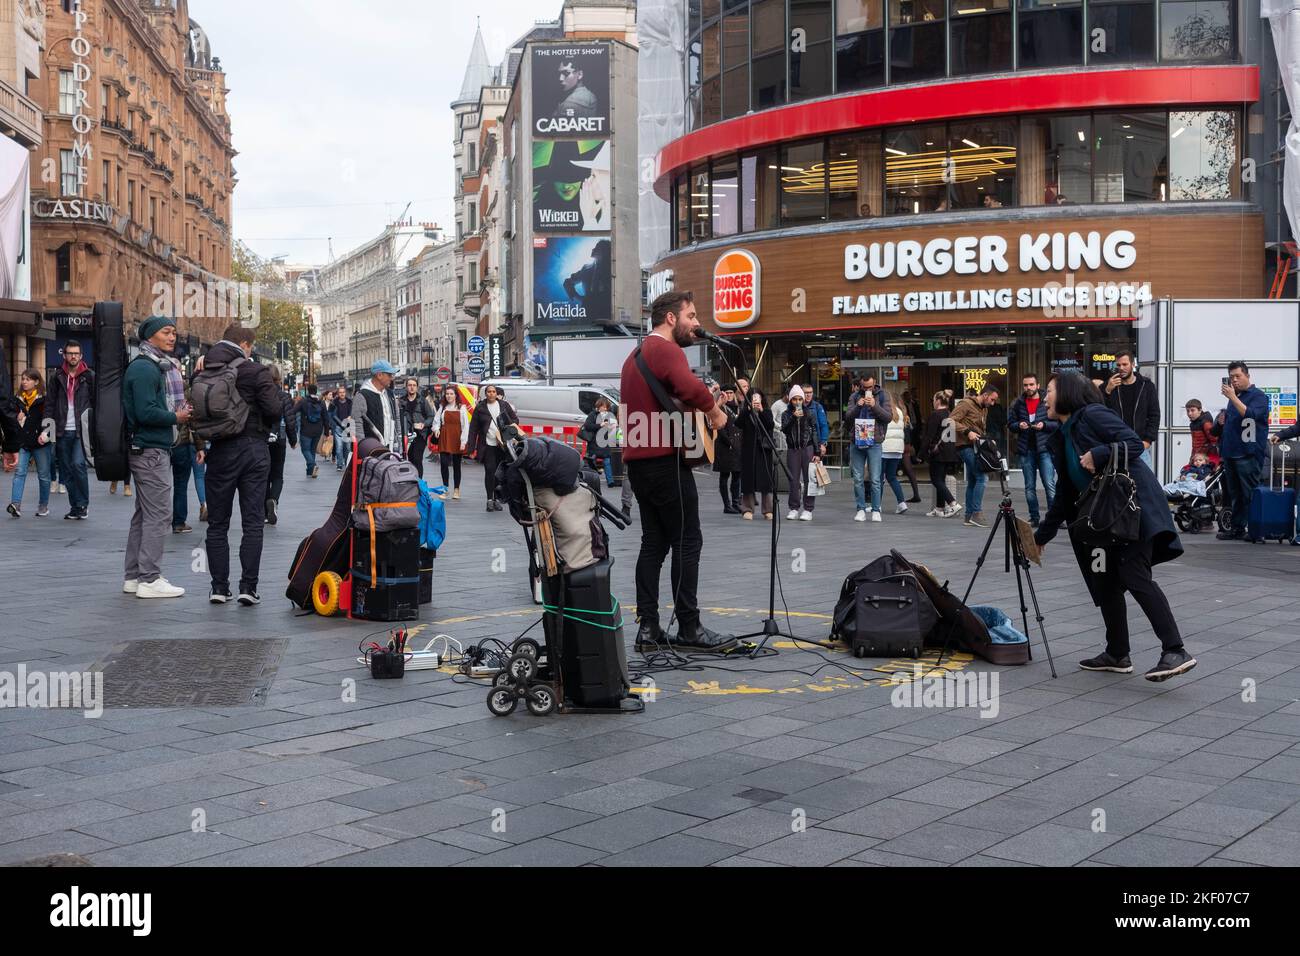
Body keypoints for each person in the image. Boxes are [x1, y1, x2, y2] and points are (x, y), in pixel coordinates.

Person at [1034, 372, 1196, 682]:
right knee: (1105, 582)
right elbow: (1066, 493)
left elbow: (1133, 443)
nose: (1044, 397)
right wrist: (1043, 534)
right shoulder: (1061, 435)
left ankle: (1175, 649)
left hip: (1133, 511)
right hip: (1103, 522)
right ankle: (1117, 653)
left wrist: (1100, 452)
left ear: (1067, 392)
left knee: (1135, 575)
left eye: (1049, 390)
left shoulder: (1092, 415)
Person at [620, 290, 733, 652]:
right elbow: (688, 388)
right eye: (692, 316)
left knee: (653, 543)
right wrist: (715, 412)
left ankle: (649, 628)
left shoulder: (633, 357)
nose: (697, 324)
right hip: (666, 461)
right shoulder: (665, 350)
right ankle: (689, 625)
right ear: (671, 318)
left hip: (639, 464)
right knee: (688, 540)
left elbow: (665, 400)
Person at [202, 324, 282, 606]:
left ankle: (218, 588)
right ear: (246, 344)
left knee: (217, 524)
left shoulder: (205, 367)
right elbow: (274, 409)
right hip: (253, 450)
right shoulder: (255, 371)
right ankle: (248, 587)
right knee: (252, 523)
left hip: (219, 450)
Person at [122, 316, 190, 599]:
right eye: (166, 332)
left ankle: (134, 577)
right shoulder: (145, 369)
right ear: (150, 336)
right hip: (149, 450)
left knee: (144, 514)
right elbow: (145, 412)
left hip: (147, 448)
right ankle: (150, 578)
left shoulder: (150, 366)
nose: (172, 337)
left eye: (174, 332)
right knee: (159, 514)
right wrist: (177, 416)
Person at [1215, 360, 1271, 541]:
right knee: (1235, 494)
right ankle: (1237, 527)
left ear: (1247, 375)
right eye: (1231, 377)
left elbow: (1252, 415)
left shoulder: (1258, 396)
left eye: (1238, 376)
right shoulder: (1234, 398)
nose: (1234, 380)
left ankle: (1256, 529)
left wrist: (1233, 397)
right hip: (1231, 452)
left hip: (1248, 453)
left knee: (1250, 493)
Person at [47, 339, 94, 520]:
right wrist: (48, 429)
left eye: (76, 353)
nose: (73, 356)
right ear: (65, 355)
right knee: (66, 471)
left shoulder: (89, 376)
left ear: (81, 356)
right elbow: (50, 405)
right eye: (70, 353)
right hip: (61, 430)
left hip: (81, 431)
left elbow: (97, 403)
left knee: (78, 464)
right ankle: (75, 507)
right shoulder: (57, 377)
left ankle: (83, 504)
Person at [1008, 373, 1058, 527]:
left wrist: (1044, 426)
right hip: (1026, 449)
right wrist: (1019, 426)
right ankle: (1034, 517)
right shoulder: (1018, 403)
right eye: (1025, 385)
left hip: (1044, 448)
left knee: (1049, 483)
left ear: (1037, 385)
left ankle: (1054, 518)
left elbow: (1057, 423)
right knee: (1029, 486)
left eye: (1031, 384)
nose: (1028, 388)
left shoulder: (1047, 400)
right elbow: (1010, 424)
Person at [950, 385, 1000, 527]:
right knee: (982, 477)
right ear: (985, 395)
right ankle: (976, 513)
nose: (993, 403)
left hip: (975, 447)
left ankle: (969, 516)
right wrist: (967, 432)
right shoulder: (966, 404)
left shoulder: (983, 408)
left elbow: (977, 427)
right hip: (964, 446)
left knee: (973, 480)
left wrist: (986, 439)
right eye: (992, 399)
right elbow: (950, 420)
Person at [6, 369, 53, 519]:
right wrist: (17, 418)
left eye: (28, 379)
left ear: (36, 382)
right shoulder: (17, 400)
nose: (24, 382)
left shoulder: (44, 399)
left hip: (40, 443)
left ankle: (43, 505)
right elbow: (9, 418)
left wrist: (46, 433)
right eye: (23, 379)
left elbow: (50, 417)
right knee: (19, 473)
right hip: (22, 443)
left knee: (44, 476)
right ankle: (15, 505)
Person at [846, 375, 893, 523]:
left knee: (875, 478)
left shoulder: (883, 395)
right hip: (857, 441)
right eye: (864, 387)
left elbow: (888, 417)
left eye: (870, 387)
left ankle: (876, 509)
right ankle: (860, 509)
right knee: (858, 478)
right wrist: (858, 406)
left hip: (874, 441)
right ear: (860, 385)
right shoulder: (854, 396)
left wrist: (874, 405)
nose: (867, 390)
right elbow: (847, 417)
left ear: (874, 384)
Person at [466, 383, 518, 512]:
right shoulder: (480, 408)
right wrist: (471, 447)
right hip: (487, 445)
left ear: (497, 394)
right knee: (490, 471)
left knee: (499, 474)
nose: (491, 394)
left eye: (493, 392)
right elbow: (473, 428)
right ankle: (489, 499)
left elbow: (515, 420)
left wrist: (507, 429)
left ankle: (496, 499)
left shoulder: (504, 406)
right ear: (486, 394)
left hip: (502, 445)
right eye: (489, 392)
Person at [1103, 351, 1160, 469]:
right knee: (1117, 482)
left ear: (1133, 364)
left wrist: (1148, 440)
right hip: (1116, 445)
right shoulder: (1109, 385)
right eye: (1118, 365)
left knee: (1146, 482)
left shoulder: (1146, 385)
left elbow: (1154, 415)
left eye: (1125, 364)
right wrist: (1107, 391)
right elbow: (1100, 412)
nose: (1121, 368)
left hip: (1139, 444)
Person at [170, 381, 207, 535]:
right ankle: (178, 521)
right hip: (182, 443)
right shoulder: (187, 395)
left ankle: (157, 519)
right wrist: (200, 447)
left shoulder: (163, 390)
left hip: (164, 442)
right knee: (181, 483)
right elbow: (194, 423)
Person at [264, 368, 298, 527]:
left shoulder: (260, 394)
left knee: (264, 475)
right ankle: (274, 499)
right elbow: (290, 420)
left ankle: (265, 511)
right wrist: (293, 439)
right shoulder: (284, 396)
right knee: (277, 475)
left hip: (263, 439)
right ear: (278, 378)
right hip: (280, 439)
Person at [920, 390, 962, 517]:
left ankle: (953, 504)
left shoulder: (935, 414)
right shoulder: (949, 414)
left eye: (933, 400)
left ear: (938, 401)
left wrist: (921, 454)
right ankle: (939, 508)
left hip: (938, 452)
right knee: (941, 480)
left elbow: (929, 436)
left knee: (936, 480)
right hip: (949, 451)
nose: (933, 403)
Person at [782, 386, 820, 521]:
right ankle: (794, 508)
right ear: (790, 400)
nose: (797, 402)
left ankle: (808, 509)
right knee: (793, 479)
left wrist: (817, 451)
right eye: (794, 399)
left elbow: (815, 432)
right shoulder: (786, 414)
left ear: (803, 400)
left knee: (809, 478)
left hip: (807, 448)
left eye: (800, 399)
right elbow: (784, 430)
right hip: (793, 449)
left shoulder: (809, 413)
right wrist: (793, 417)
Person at [738, 387, 775, 520]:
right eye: (753, 398)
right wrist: (747, 411)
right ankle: (747, 508)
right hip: (748, 451)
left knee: (766, 480)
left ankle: (768, 509)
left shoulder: (767, 411)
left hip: (763, 451)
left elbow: (770, 425)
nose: (755, 400)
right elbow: (738, 424)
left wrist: (761, 411)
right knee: (748, 479)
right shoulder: (745, 412)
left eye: (757, 397)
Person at [353, 360, 401, 450]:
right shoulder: (362, 395)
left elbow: (396, 418)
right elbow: (357, 424)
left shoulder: (390, 394)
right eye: (389, 375)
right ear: (379, 375)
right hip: (371, 450)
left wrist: (398, 442)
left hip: (390, 447)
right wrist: (363, 448)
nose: (392, 378)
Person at [432, 384, 468, 500]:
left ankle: (456, 489)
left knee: (457, 465)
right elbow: (436, 421)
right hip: (445, 437)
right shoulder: (443, 407)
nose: (449, 396)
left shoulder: (461, 408)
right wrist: (436, 429)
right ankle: (445, 489)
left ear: (456, 395)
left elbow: (465, 426)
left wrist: (463, 441)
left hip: (457, 437)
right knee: (443, 464)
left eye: (451, 394)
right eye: (447, 394)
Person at [879, 391, 911, 516]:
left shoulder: (884, 411)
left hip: (884, 448)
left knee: (879, 478)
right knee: (892, 477)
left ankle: (877, 505)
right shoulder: (900, 412)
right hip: (897, 449)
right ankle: (901, 503)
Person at [711, 386, 742, 515]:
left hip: (737, 446)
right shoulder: (719, 406)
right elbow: (719, 427)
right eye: (727, 393)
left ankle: (735, 502)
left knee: (737, 475)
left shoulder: (738, 406)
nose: (729, 395)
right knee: (724, 475)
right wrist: (729, 442)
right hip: (724, 446)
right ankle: (727, 504)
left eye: (731, 393)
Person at [399, 377, 433, 479]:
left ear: (417, 387)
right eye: (410, 385)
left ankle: (419, 483)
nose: (412, 387)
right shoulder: (401, 401)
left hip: (420, 434)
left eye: (414, 385)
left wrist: (424, 424)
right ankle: (411, 482)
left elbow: (431, 416)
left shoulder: (423, 401)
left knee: (417, 459)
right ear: (406, 387)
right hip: (406, 435)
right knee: (409, 459)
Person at [293, 384, 326, 478]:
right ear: (316, 391)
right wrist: (327, 431)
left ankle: (312, 464)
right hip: (318, 430)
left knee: (305, 450)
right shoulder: (321, 402)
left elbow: (293, 411)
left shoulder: (303, 401)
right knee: (312, 450)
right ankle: (310, 472)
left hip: (306, 430)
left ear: (308, 391)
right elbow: (325, 417)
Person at [1184, 399, 1219, 467]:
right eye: (1188, 411)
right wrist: (1192, 458)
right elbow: (1195, 444)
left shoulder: (1205, 423)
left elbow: (1214, 440)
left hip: (1204, 459)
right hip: (1197, 457)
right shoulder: (1193, 424)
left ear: (1200, 410)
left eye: (1192, 410)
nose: (1189, 413)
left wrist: (1209, 459)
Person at [329, 386, 353, 470]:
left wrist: (350, 416)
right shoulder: (334, 403)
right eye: (340, 392)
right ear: (338, 393)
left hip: (348, 427)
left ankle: (347, 464)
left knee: (348, 447)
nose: (342, 394)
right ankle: (339, 465)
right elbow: (330, 415)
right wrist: (331, 426)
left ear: (345, 393)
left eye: (343, 392)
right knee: (339, 447)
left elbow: (353, 413)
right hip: (338, 427)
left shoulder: (350, 402)